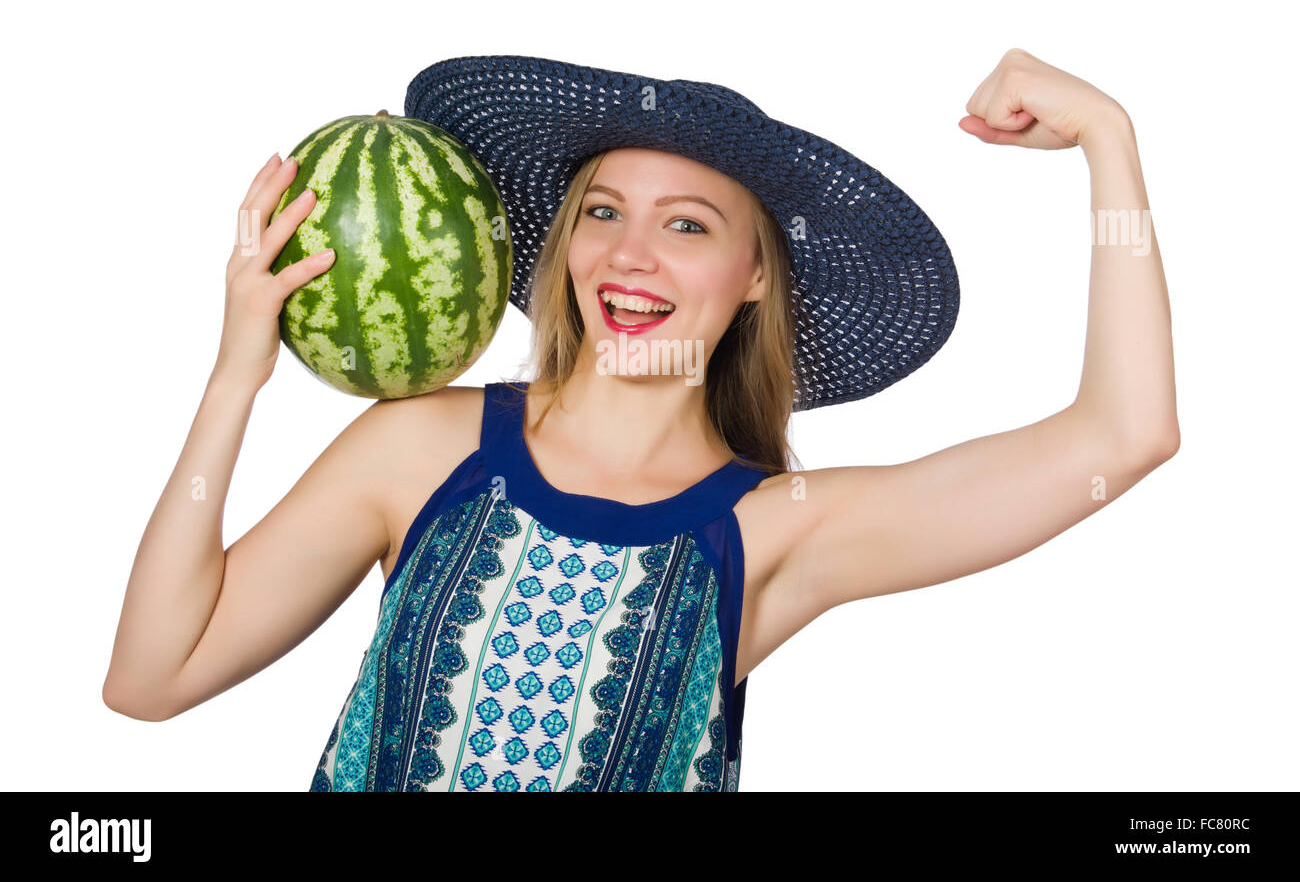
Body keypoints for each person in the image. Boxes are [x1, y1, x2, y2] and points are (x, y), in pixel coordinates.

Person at [102, 50, 1179, 792]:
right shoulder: (422, 449)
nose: (629, 254)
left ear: (755, 275)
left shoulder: (773, 532)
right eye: (604, 212)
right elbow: (152, 679)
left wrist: (1108, 138)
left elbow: (1121, 437)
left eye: (687, 224)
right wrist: (235, 377)